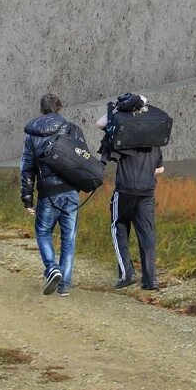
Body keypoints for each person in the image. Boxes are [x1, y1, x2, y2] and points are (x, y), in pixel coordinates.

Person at [98, 95, 165, 291]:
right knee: (147, 233)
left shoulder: (124, 133)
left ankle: (126, 273)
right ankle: (150, 280)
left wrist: (119, 108)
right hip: (147, 190)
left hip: (125, 189)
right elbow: (159, 170)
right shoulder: (155, 138)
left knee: (118, 226)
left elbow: (99, 123)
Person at [20, 93, 85, 297]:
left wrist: (28, 197)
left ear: (42, 109)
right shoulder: (73, 129)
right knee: (69, 238)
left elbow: (27, 168)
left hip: (47, 193)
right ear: (60, 107)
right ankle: (64, 285)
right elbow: (83, 159)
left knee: (43, 232)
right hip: (71, 191)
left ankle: (51, 267)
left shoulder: (32, 134)